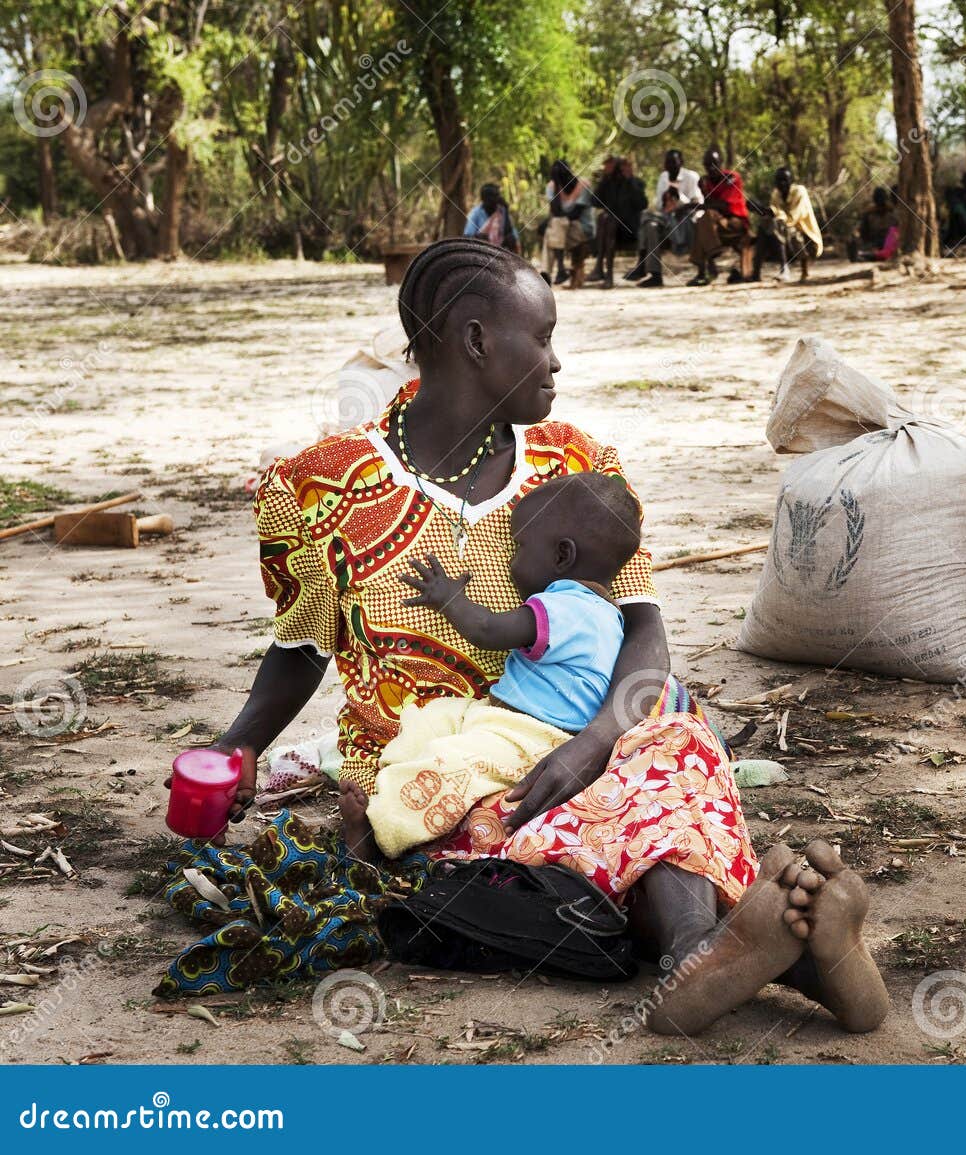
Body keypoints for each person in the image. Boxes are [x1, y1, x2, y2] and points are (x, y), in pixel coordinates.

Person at [215, 236, 888, 1035]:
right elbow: (301, 645)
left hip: (582, 750)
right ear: (475, 340)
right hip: (432, 786)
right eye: (542, 337)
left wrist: (594, 744)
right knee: (608, 845)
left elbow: (644, 628)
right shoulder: (317, 485)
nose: (556, 360)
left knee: (671, 741)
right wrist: (238, 745)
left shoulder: (576, 464)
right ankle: (787, 954)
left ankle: (706, 952)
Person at [349, 473, 643, 860]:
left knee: (451, 766)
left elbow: (488, 630)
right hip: (503, 719)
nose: (510, 561)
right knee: (435, 717)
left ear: (562, 556)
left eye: (519, 547)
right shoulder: (607, 614)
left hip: (533, 738)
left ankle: (377, 837)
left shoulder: (567, 607)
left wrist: (449, 598)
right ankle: (391, 779)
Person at [627, 149, 702, 287]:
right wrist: (665, 197)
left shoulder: (691, 176)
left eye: (674, 162)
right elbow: (660, 206)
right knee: (650, 224)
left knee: (647, 217)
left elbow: (697, 203)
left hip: (685, 219)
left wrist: (679, 197)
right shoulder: (663, 177)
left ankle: (641, 262)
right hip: (666, 218)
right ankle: (655, 275)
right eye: (668, 163)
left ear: (681, 163)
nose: (670, 166)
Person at [690, 147, 753, 286]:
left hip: (737, 223)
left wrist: (696, 206)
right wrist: (703, 191)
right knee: (702, 221)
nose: (711, 168)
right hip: (719, 223)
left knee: (706, 216)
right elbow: (710, 203)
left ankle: (708, 266)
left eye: (714, 164)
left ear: (721, 163)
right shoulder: (706, 181)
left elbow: (723, 206)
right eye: (707, 165)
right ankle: (706, 269)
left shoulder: (732, 177)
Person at [592, 157, 648, 289]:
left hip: (630, 230)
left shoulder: (637, 183)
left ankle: (602, 270)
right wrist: (604, 179)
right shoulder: (609, 184)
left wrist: (630, 180)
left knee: (606, 220)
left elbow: (643, 204)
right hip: (610, 232)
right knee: (604, 218)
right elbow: (594, 202)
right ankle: (605, 273)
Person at [763, 166, 823, 282]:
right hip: (787, 234)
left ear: (791, 181)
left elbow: (792, 218)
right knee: (767, 225)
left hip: (807, 236)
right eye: (779, 181)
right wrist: (763, 211)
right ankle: (774, 269)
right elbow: (775, 212)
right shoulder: (776, 194)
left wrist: (773, 212)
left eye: (785, 180)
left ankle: (800, 270)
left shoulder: (799, 191)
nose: (782, 184)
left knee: (785, 228)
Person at [543, 160, 596, 288]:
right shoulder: (552, 187)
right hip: (563, 230)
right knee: (553, 229)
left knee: (554, 228)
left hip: (582, 228)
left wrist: (559, 217)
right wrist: (557, 187)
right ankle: (557, 271)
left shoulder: (583, 185)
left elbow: (575, 214)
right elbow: (555, 211)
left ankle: (551, 272)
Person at [463, 183, 519, 253]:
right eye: (493, 196)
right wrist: (478, 237)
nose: (497, 199)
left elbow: (510, 233)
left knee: (511, 238)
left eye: (498, 195)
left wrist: (506, 210)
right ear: (484, 199)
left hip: (500, 249)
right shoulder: (475, 213)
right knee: (482, 238)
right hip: (480, 250)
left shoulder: (501, 210)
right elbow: (467, 236)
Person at [850, 187, 897, 261]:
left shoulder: (892, 212)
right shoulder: (868, 214)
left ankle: (870, 254)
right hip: (874, 243)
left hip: (888, 244)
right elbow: (863, 233)